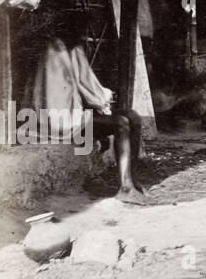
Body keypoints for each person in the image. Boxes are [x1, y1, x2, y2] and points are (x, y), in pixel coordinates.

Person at [31, 12, 148, 203]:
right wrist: (103, 98)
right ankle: (125, 187)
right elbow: (82, 89)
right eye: (80, 31)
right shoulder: (56, 51)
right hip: (59, 121)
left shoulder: (70, 48)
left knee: (133, 116)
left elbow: (85, 86)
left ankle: (132, 180)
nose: (83, 35)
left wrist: (100, 100)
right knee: (121, 123)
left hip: (72, 114)